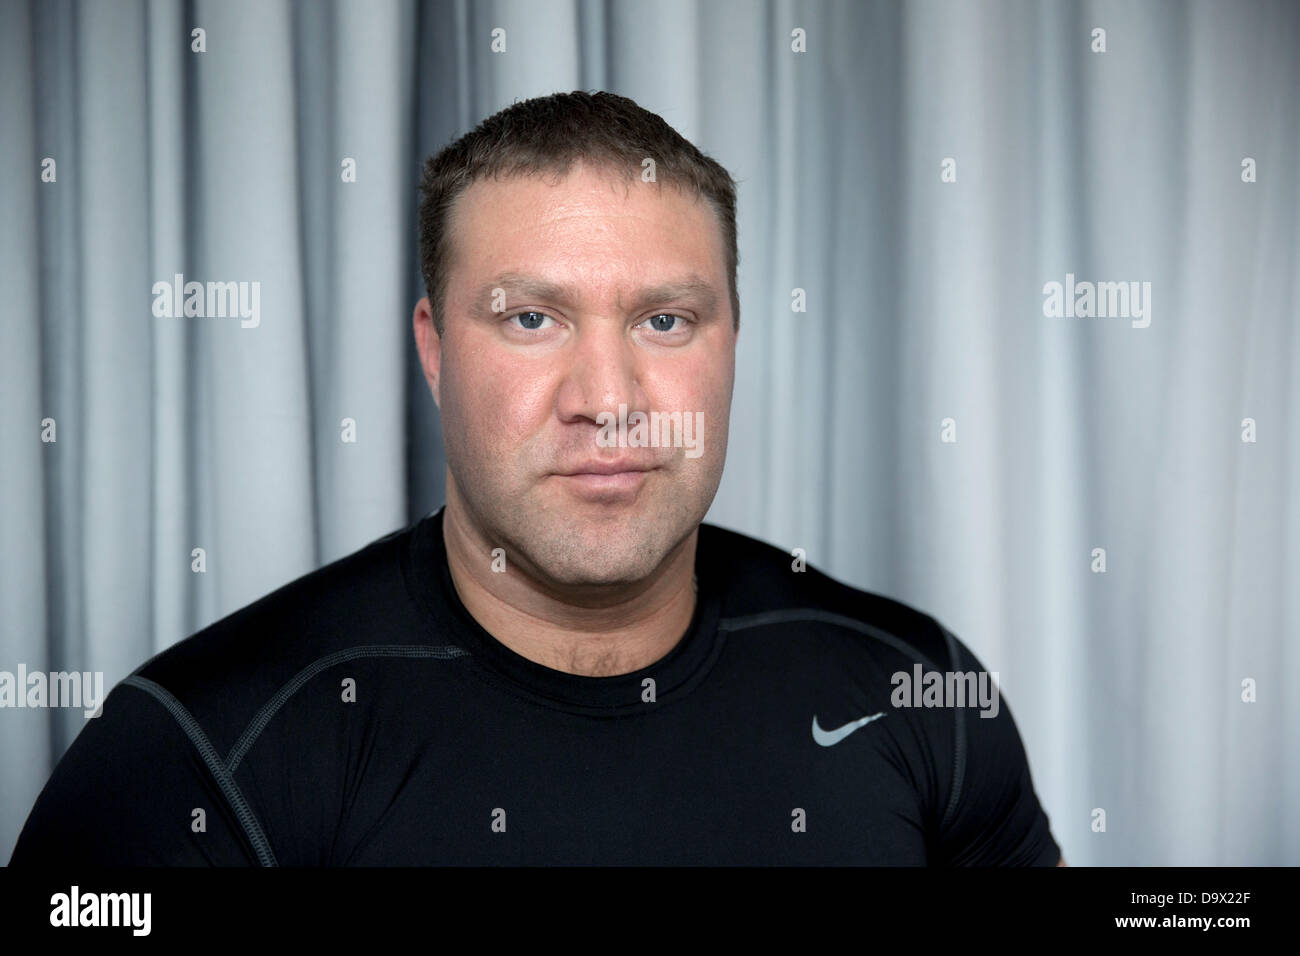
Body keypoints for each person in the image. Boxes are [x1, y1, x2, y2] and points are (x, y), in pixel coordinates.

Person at [10, 90, 1063, 866]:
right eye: (530, 318)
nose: (606, 396)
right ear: (433, 350)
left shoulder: (918, 692)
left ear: (733, 342)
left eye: (664, 318)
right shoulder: (200, 749)